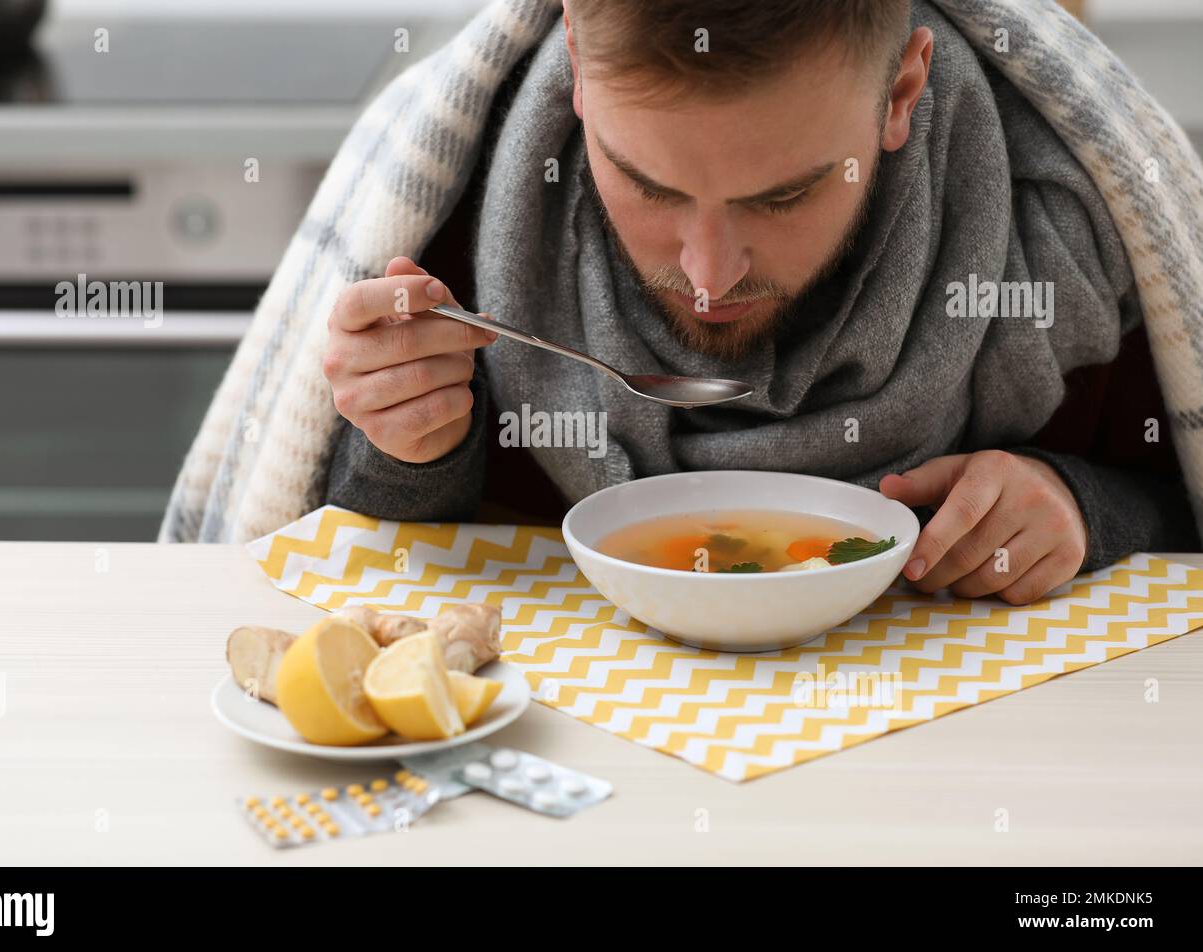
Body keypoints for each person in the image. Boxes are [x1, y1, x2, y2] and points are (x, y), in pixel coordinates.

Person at [320, 0, 1199, 605]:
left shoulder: (1070, 230)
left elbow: (1182, 507)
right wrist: (416, 441)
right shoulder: (448, 222)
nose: (709, 277)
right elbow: (362, 588)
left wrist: (1084, 506)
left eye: (782, 198)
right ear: (579, 70)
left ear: (900, 92)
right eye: (646, 185)